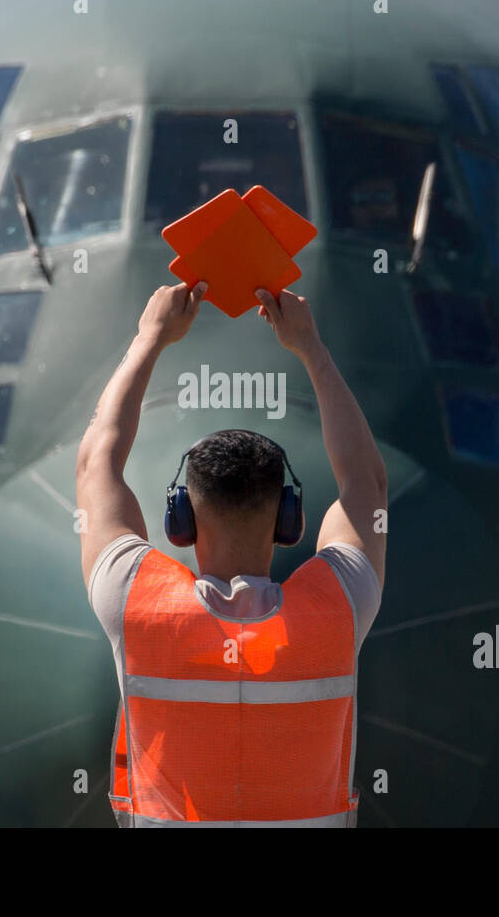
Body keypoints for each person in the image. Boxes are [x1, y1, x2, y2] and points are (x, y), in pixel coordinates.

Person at [76, 280, 387, 827]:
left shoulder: (136, 603)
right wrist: (310, 348)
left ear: (183, 521)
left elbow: (96, 464)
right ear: (288, 523)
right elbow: (365, 483)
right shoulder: (337, 610)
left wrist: (150, 337)